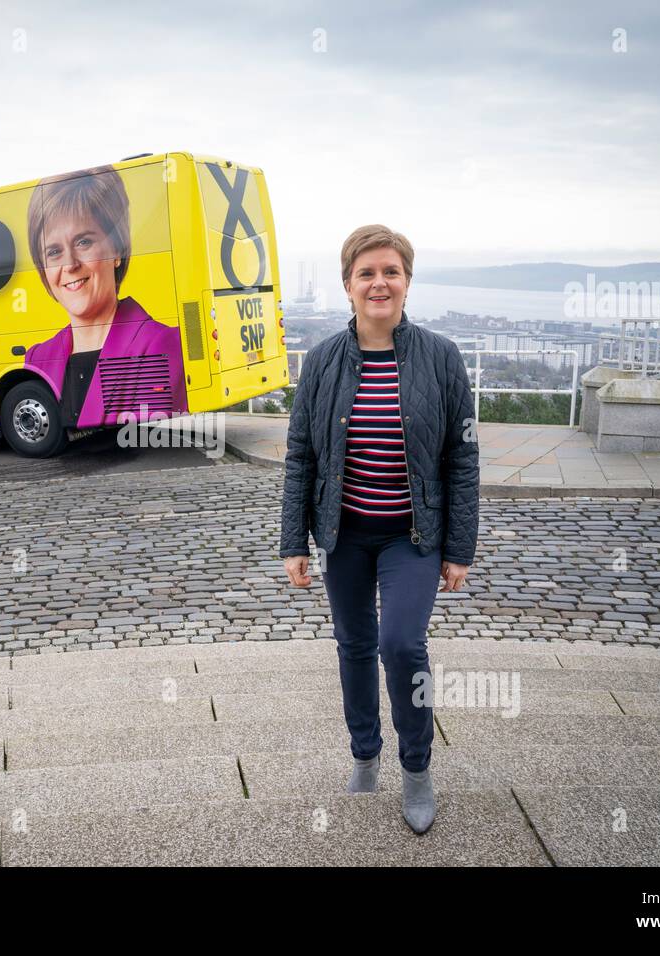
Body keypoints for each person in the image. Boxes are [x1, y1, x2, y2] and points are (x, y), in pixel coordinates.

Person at [279, 224, 479, 834]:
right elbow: (301, 456)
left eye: (390, 271)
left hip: (411, 536)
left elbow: (461, 458)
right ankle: (365, 754)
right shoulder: (323, 361)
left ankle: (416, 769)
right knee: (355, 647)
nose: (379, 282)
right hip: (344, 534)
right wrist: (293, 542)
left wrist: (458, 548)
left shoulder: (440, 358)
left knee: (400, 645)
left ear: (407, 282)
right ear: (347, 286)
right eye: (366, 273)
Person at [24, 165, 187, 429]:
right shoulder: (37, 358)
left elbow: (149, 436)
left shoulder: (162, 345)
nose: (70, 264)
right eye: (54, 252)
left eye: (83, 242)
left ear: (117, 249)